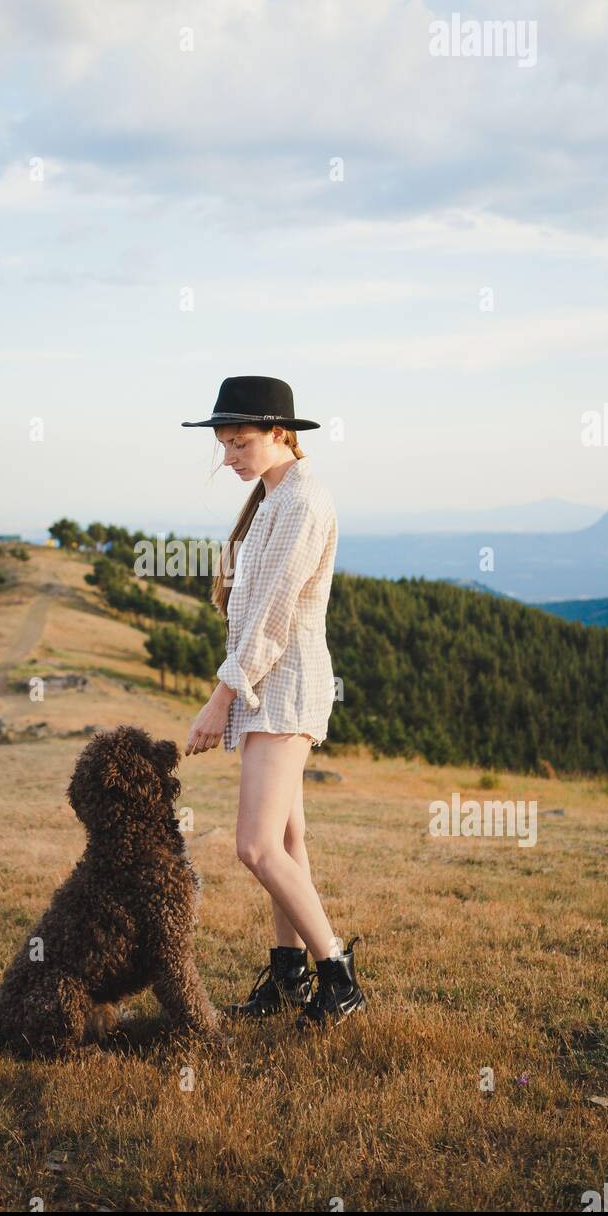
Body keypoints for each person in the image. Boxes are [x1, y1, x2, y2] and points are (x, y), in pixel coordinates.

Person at [181, 376, 365, 1030]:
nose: (229, 454)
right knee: (287, 835)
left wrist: (217, 701)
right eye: (224, 443)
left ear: (280, 434)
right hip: (271, 685)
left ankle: (338, 977)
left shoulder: (303, 502)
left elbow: (271, 619)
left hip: (283, 688)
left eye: (241, 441)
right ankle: (289, 976)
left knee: (255, 846)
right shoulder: (273, 498)